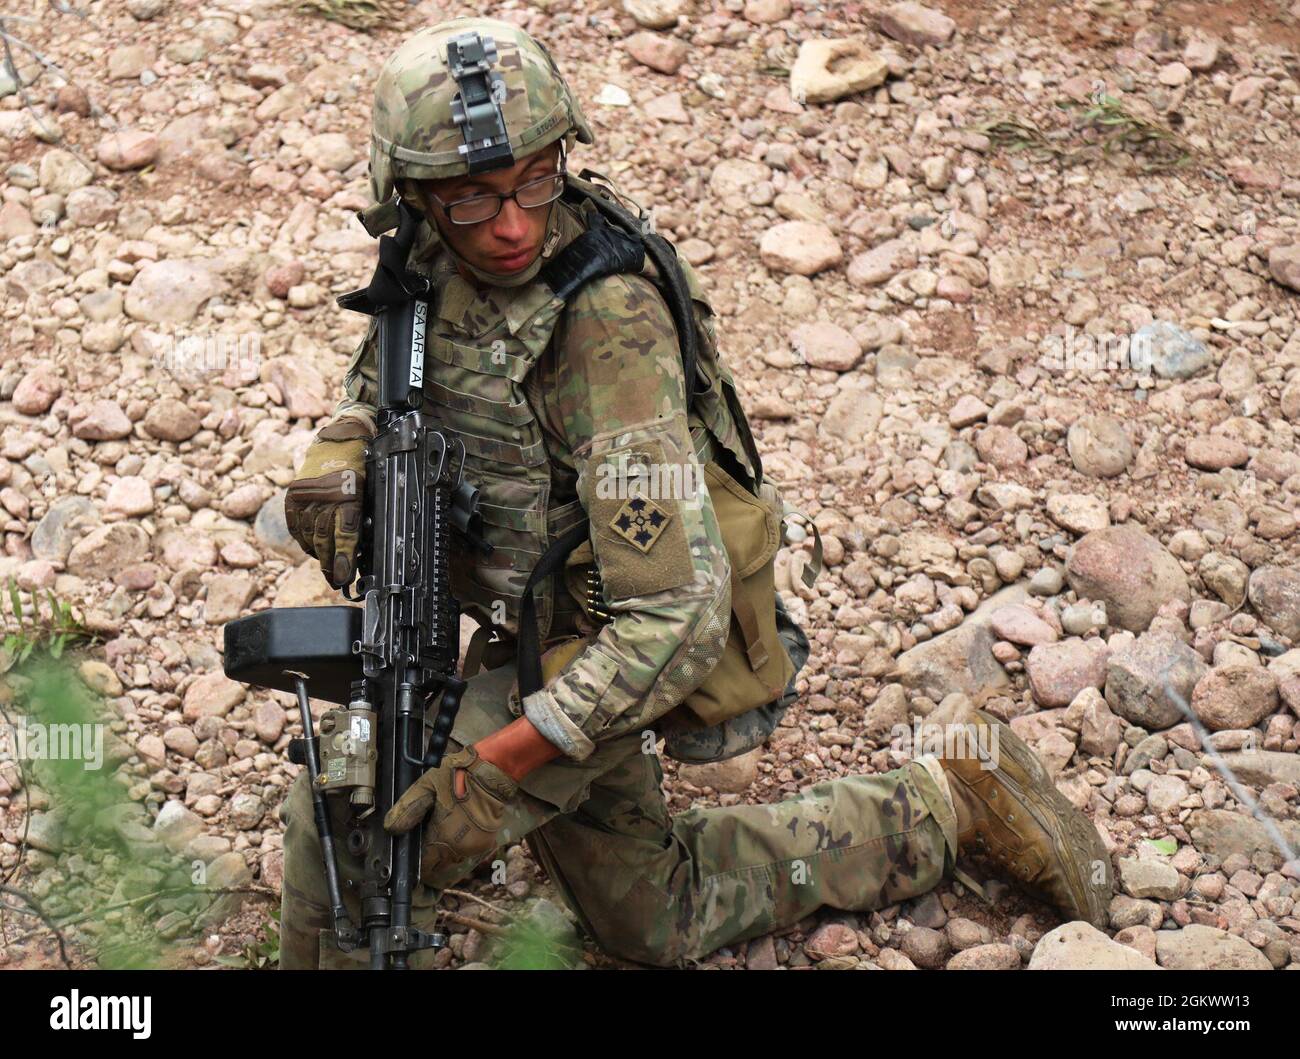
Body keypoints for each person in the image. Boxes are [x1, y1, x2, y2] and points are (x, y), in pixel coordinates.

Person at [276, 17, 1112, 969]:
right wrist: (341, 458)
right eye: (472, 200)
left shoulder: (604, 332)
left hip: (603, 646)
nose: (510, 225)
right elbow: (386, 386)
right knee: (653, 922)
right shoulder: (431, 252)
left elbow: (675, 613)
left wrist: (505, 760)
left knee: (352, 822)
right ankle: (942, 803)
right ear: (413, 195)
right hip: (527, 617)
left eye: (534, 185)